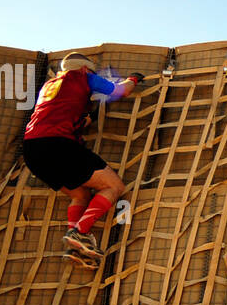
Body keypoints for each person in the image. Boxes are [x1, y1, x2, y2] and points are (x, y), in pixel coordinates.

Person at [22, 52, 142, 268]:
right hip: (57, 145)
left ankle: (74, 249)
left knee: (80, 194)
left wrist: (87, 119)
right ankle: (79, 233)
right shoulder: (83, 76)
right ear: (85, 68)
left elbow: (59, 116)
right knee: (114, 186)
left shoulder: (50, 86)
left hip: (32, 150)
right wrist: (133, 78)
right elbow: (121, 91)